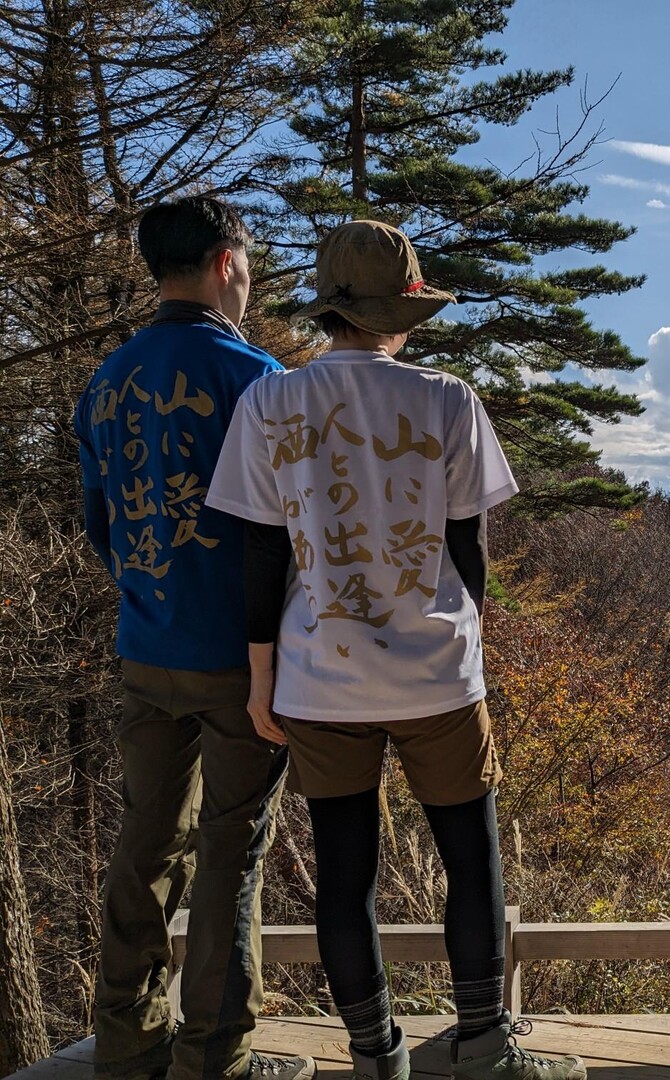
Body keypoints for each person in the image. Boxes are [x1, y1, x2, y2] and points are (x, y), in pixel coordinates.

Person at [206, 220, 585, 1080]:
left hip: (319, 676)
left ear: (332, 309)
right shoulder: (446, 398)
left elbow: (261, 552)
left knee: (346, 872)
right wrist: (469, 642)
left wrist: (262, 677)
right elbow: (468, 546)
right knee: (470, 856)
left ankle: (378, 1056)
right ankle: (486, 1043)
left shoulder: (270, 402)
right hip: (436, 674)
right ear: (399, 310)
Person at [73, 197, 315, 1080]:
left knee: (146, 840)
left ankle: (128, 1043)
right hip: (239, 660)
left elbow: (99, 525)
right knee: (232, 848)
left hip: (147, 647)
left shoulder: (106, 381)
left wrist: (149, 589)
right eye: (247, 264)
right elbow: (292, 531)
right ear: (225, 262)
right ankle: (215, 1053)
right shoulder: (257, 380)